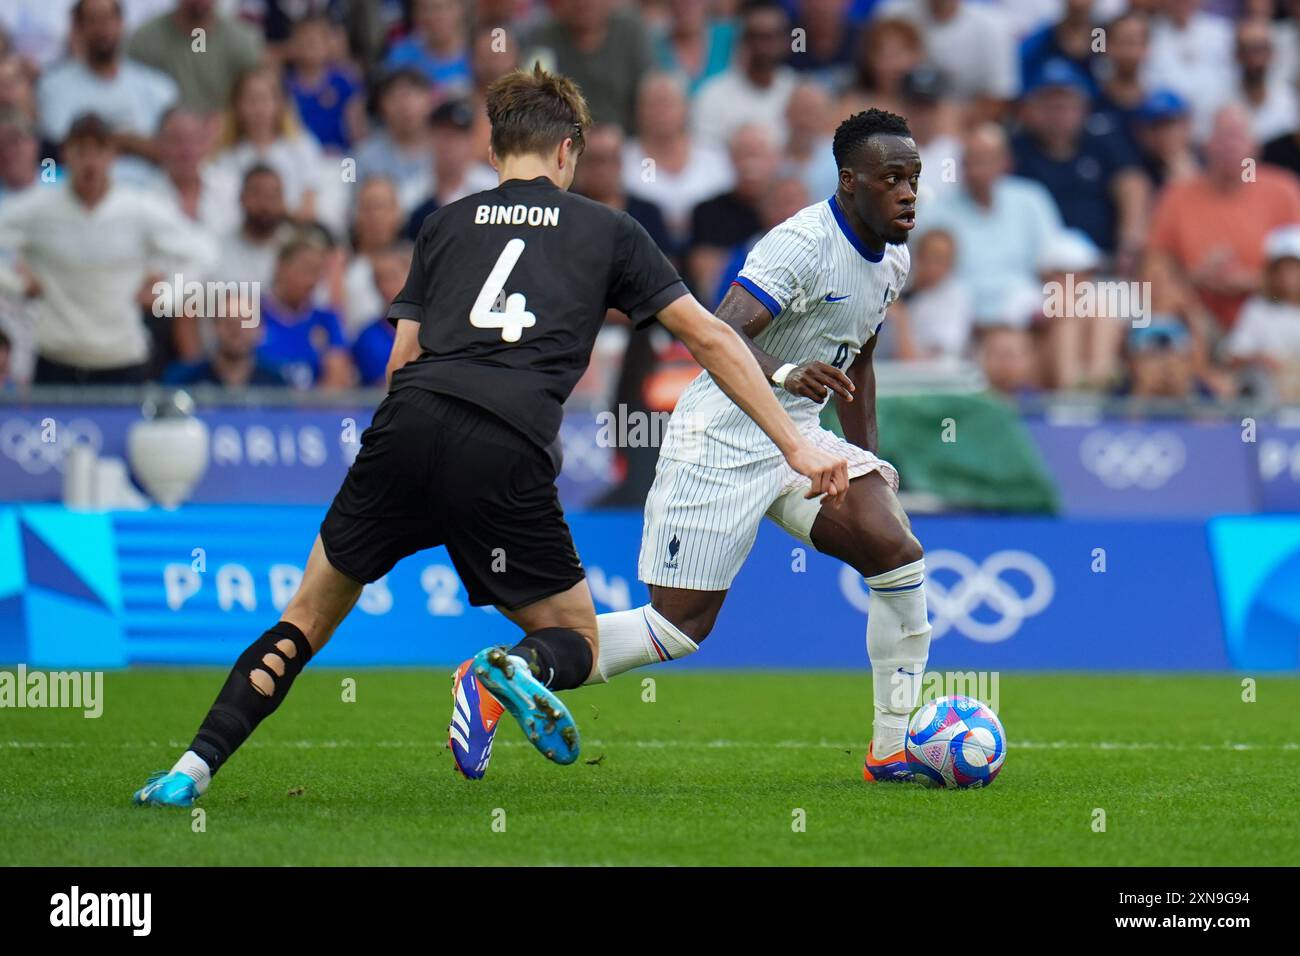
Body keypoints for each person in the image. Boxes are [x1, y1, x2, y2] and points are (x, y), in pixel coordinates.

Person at [132, 64, 847, 806]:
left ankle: (190, 770)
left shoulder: (443, 225)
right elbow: (710, 338)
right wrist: (795, 444)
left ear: (492, 148)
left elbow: (403, 360)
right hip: (503, 446)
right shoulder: (609, 230)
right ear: (568, 150)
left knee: (305, 617)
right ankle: (506, 670)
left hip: (407, 425)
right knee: (577, 639)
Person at [452, 108, 927, 784]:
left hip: (800, 438)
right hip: (722, 439)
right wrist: (789, 373)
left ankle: (892, 749)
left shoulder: (894, 260)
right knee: (676, 630)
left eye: (914, 177)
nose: (909, 192)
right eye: (892, 179)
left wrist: (870, 457)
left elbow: (861, 364)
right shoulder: (800, 245)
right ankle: (507, 671)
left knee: (897, 552)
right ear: (850, 183)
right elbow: (720, 334)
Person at [0, 113, 214, 384]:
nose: (90, 162)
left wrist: (165, 297)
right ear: (66, 155)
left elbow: (203, 252)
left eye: (98, 151)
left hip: (122, 357)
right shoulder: (40, 208)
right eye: (81, 151)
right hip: (56, 356)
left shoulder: (138, 208)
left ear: (112, 155)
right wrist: (15, 285)